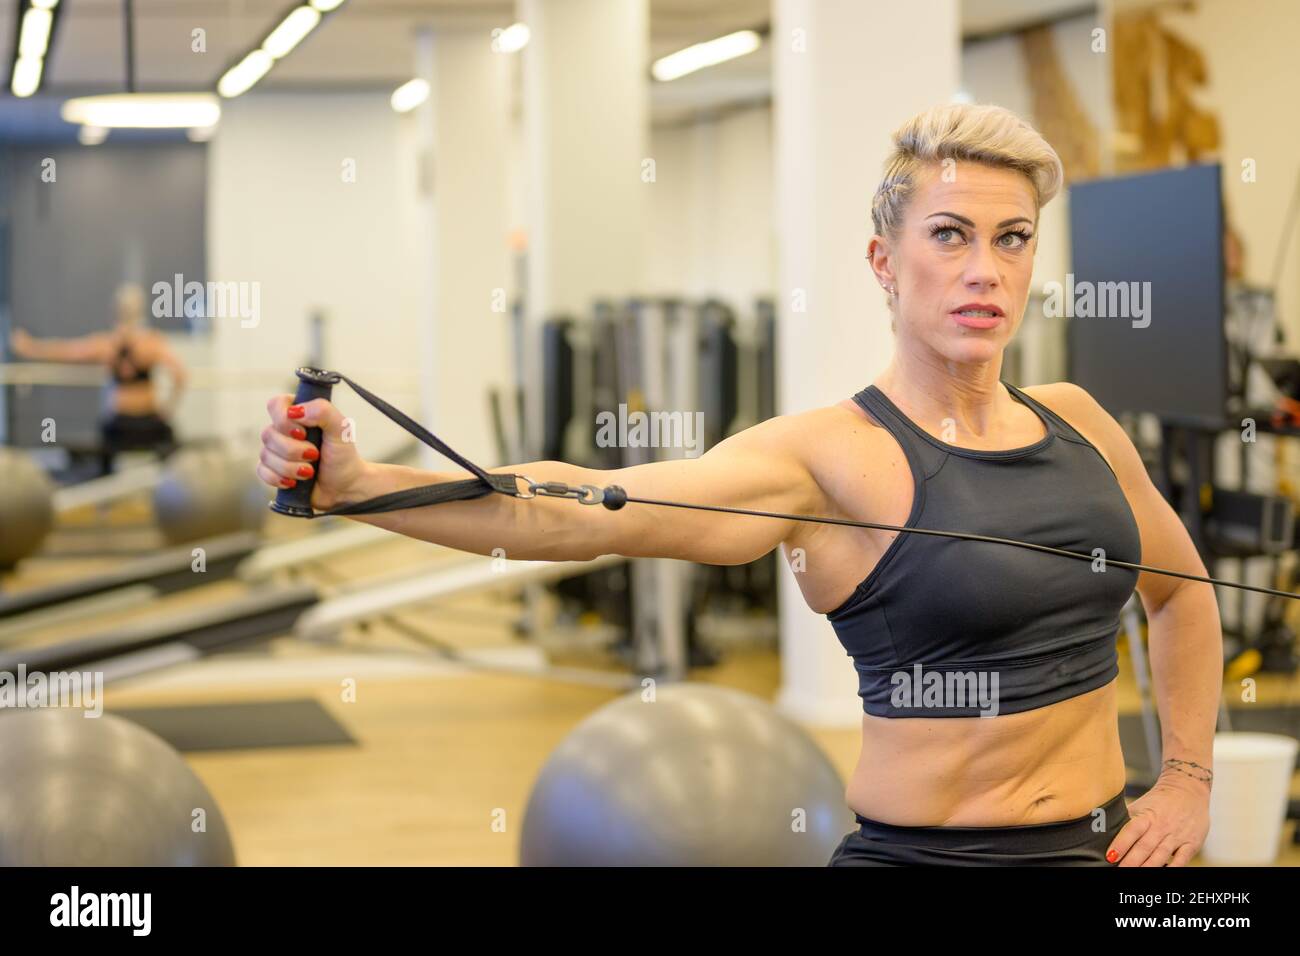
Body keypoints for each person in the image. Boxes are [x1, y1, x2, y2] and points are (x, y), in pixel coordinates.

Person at [255, 103, 1218, 866]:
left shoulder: (1079, 422)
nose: (985, 269)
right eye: (951, 235)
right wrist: (361, 484)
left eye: (1012, 239)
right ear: (886, 263)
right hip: (932, 858)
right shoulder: (825, 459)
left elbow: (1180, 595)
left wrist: (1184, 777)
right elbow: (586, 514)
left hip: (1110, 854)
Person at [9, 283, 187, 474]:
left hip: (121, 425)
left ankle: (105, 490)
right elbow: (180, 375)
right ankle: (171, 487)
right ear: (142, 310)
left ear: (116, 310)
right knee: (171, 449)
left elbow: (69, 351)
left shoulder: (107, 344)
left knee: (107, 446)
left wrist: (31, 347)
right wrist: (168, 408)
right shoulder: (152, 343)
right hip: (149, 423)